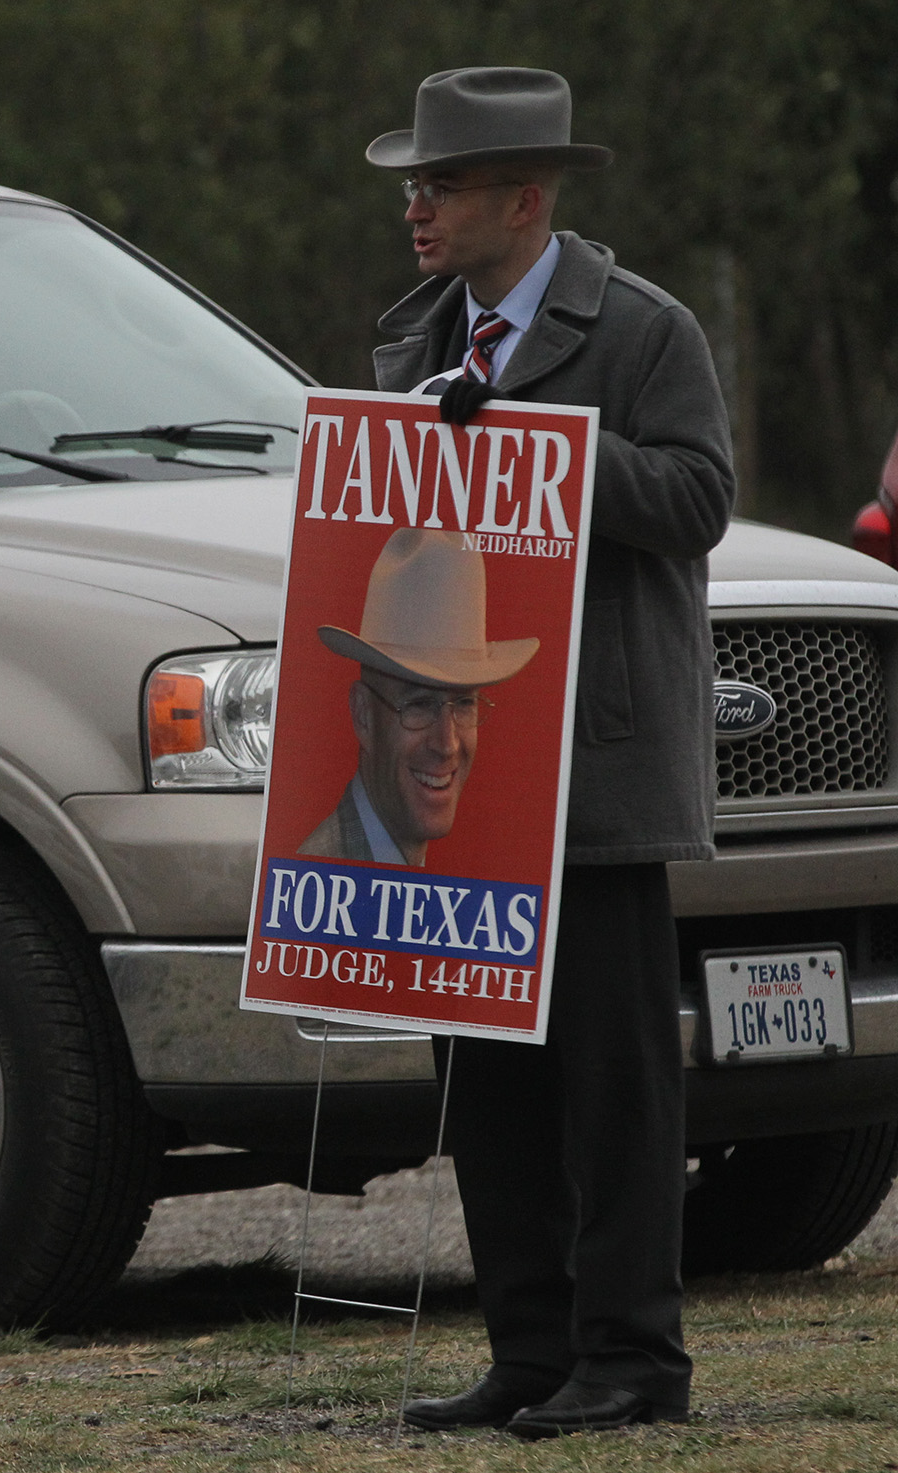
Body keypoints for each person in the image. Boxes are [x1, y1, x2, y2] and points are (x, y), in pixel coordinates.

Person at [365, 68, 734, 1438]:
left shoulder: (646, 332)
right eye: (413, 184)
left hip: (599, 774)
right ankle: (530, 1348)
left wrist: (542, 449)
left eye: (441, 185)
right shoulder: (414, 342)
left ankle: (634, 1355)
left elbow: (699, 499)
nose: (416, 208)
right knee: (489, 1079)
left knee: (616, 1084)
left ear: (527, 199)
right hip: (467, 774)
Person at [299, 529, 535, 867]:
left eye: (465, 703)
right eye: (420, 705)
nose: (448, 744)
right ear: (363, 715)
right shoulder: (320, 870)